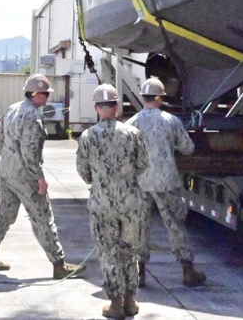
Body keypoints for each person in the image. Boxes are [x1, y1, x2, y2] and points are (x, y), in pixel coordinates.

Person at [0, 73, 86, 280]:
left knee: (4, 213)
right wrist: (39, 177)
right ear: (35, 94)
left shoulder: (13, 108)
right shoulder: (33, 117)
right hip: (25, 175)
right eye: (45, 93)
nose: (47, 97)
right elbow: (30, 152)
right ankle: (59, 264)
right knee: (43, 216)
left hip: (6, 171)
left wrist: (9, 161)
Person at [76, 84, 148, 320]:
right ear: (117, 107)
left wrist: (99, 181)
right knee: (130, 251)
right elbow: (142, 165)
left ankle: (115, 303)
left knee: (108, 253)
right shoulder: (133, 134)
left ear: (97, 108)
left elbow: (83, 170)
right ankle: (130, 300)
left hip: (102, 204)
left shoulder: (87, 136)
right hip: (131, 202)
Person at [128, 76, 207, 288]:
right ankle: (188, 271)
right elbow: (188, 149)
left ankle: (140, 274)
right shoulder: (171, 121)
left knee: (139, 226)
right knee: (175, 225)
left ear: (144, 98)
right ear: (159, 98)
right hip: (166, 182)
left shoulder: (132, 123)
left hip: (140, 183)